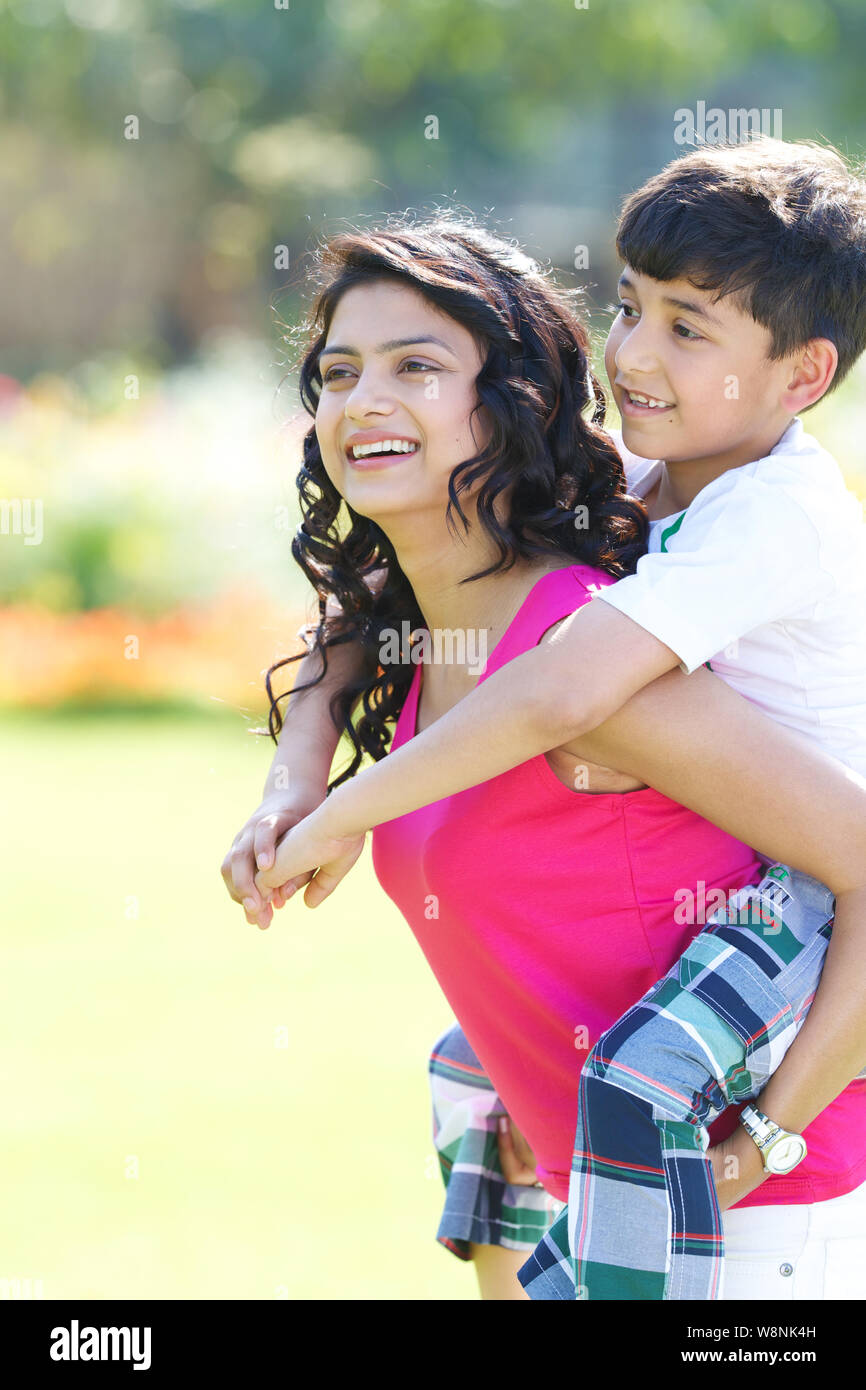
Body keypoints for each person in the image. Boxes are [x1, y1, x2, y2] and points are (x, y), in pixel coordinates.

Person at [226, 206, 866, 1299]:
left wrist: (767, 1133)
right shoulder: (446, 622)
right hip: (600, 1186)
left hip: (751, 1225)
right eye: (336, 373)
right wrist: (295, 781)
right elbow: (351, 621)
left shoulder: (595, 658)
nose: (362, 400)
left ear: (512, 401)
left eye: (415, 366)